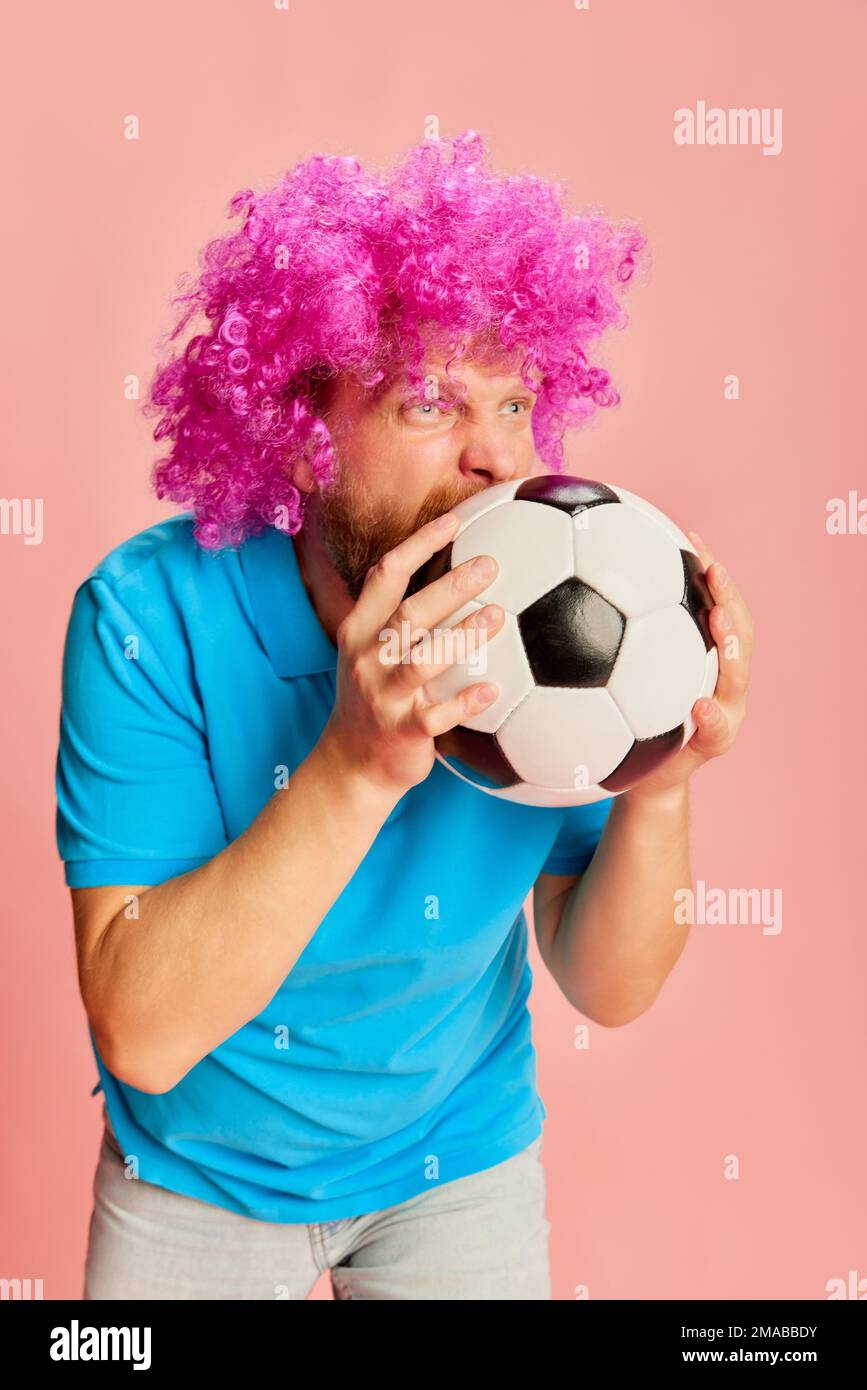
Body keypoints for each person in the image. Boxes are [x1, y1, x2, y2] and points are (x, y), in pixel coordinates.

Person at [55, 130, 754, 1300]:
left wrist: (664, 777)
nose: (493, 458)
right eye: (429, 400)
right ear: (303, 431)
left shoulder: (563, 636)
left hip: (454, 1167)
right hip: (192, 1180)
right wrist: (356, 764)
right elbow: (143, 1031)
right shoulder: (147, 615)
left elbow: (609, 985)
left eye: (517, 398)